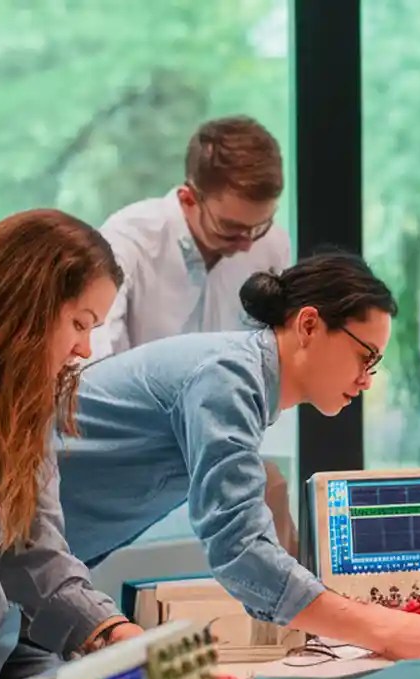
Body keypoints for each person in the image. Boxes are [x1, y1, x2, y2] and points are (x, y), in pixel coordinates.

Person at [52, 253, 420, 664]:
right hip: (8, 567)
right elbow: (239, 547)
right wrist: (379, 628)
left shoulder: (239, 378)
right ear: (309, 324)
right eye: (366, 357)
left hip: (40, 580)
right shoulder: (227, 376)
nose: (365, 379)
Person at [92, 115, 296, 553]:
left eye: (257, 226)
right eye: (231, 228)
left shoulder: (270, 245)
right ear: (188, 198)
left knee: (273, 494)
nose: (246, 243)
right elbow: (92, 360)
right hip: (133, 444)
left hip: (218, 438)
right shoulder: (129, 240)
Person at [0, 210, 139, 679]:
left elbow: (34, 551)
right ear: (26, 306)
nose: (85, 349)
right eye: (79, 323)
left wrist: (116, 636)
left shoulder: (21, 411)